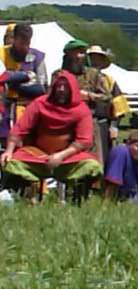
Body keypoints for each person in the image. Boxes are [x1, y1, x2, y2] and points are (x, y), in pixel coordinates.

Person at [1, 70, 102, 199]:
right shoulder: (39, 103)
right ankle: (20, 197)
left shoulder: (81, 110)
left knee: (92, 166)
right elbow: (19, 129)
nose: (61, 90)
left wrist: (60, 156)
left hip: (68, 159)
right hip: (37, 155)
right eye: (58, 86)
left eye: (65, 87)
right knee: (11, 163)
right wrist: (9, 151)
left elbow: (83, 140)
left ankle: (77, 199)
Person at [1, 23, 48, 146]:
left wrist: (13, 83)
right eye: (22, 42)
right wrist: (25, 76)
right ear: (14, 39)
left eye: (28, 42)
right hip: (4, 106)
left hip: (28, 106)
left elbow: (42, 86)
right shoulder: (1, 54)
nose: (25, 46)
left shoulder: (37, 57)